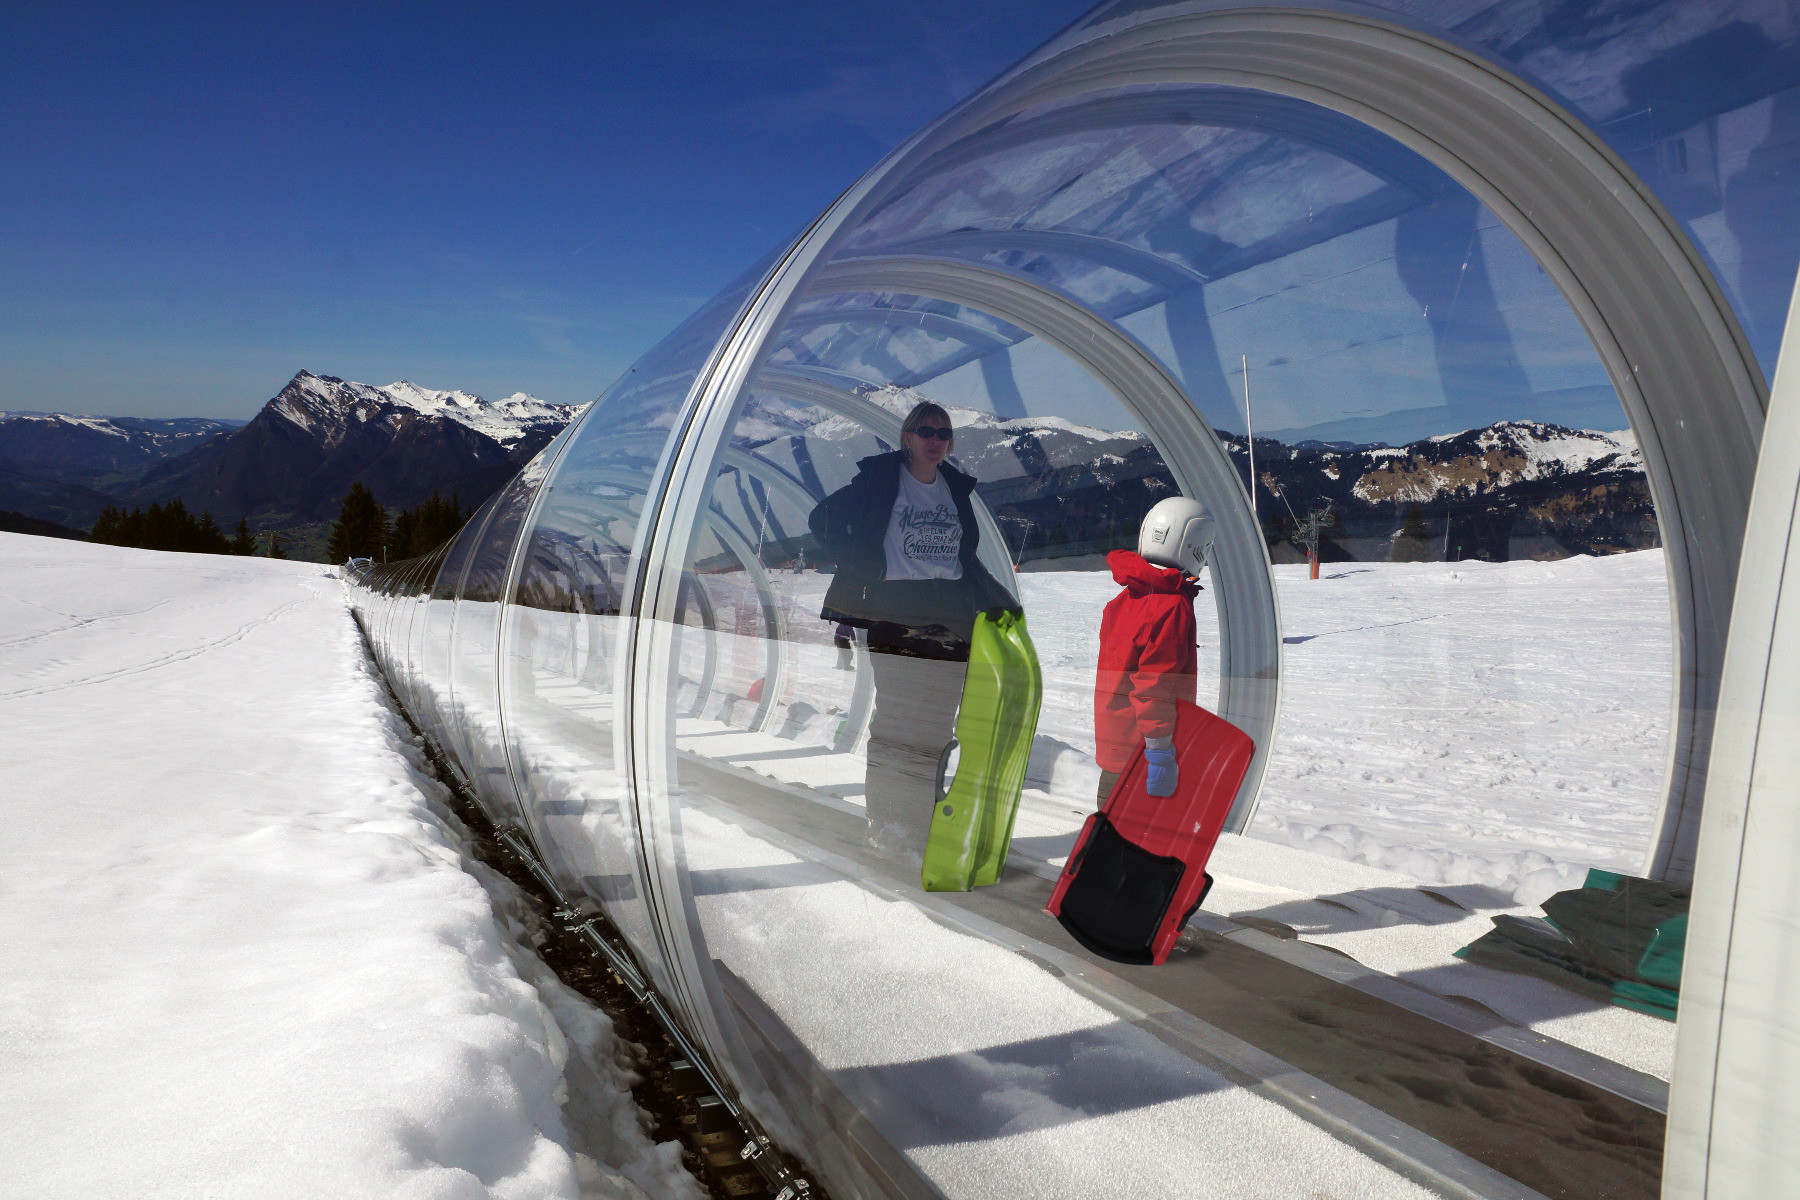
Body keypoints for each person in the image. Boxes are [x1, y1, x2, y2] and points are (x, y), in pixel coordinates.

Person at [808, 400, 1016, 858]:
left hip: (951, 616)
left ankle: (918, 822)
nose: (936, 440)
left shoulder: (954, 487)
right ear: (907, 436)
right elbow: (821, 521)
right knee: (899, 724)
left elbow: (965, 554)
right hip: (897, 613)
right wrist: (869, 566)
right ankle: (886, 825)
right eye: (927, 431)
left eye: (944, 433)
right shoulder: (882, 478)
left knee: (936, 728)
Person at [1093, 497, 1216, 806]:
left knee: (1107, 833)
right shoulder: (1171, 606)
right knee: (1134, 843)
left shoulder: (1126, 598)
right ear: (1194, 545)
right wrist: (1160, 751)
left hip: (1116, 746)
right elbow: (1154, 687)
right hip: (1143, 755)